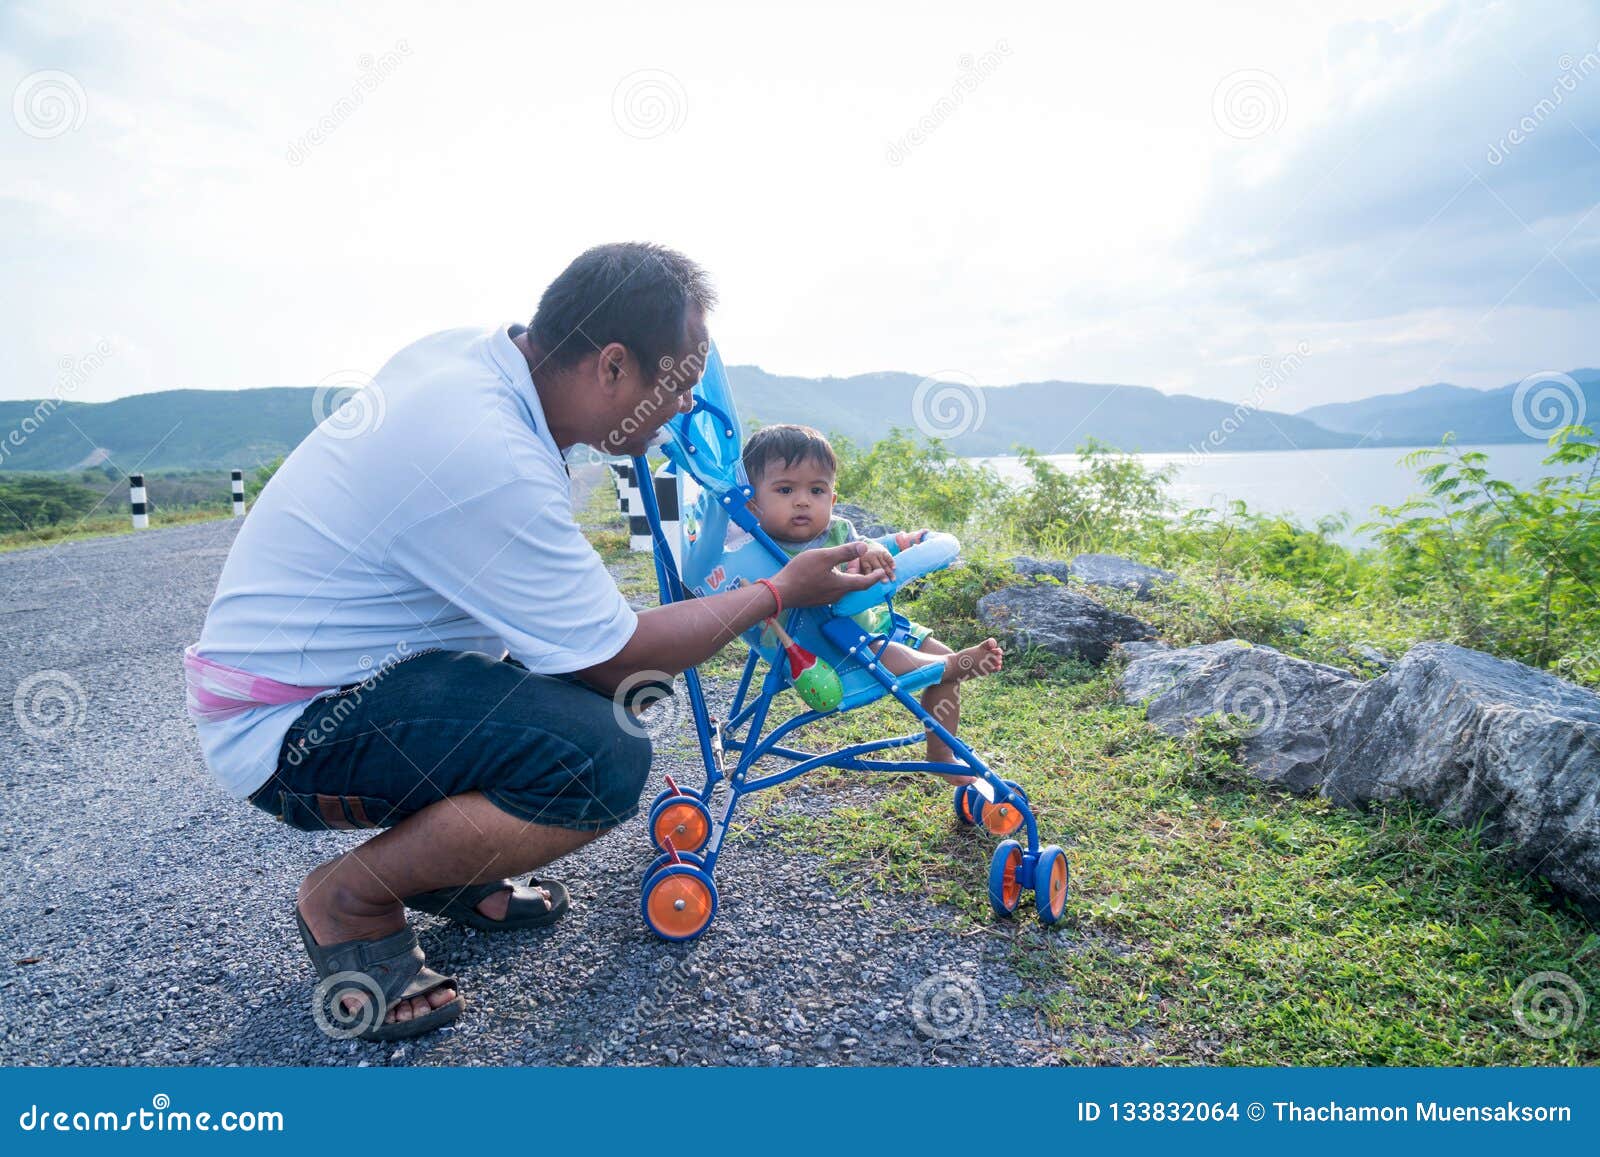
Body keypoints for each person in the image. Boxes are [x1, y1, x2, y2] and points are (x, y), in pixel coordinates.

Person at [183, 244, 884, 1041]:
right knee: (604, 753)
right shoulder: (488, 455)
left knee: (596, 696)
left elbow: (584, 635)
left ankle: (452, 876)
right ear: (613, 367)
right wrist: (781, 591)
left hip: (352, 677)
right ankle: (351, 898)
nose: (686, 410)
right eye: (680, 387)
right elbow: (621, 655)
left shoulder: (472, 358)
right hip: (296, 727)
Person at [740, 423, 1003, 780]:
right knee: (926, 660)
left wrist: (876, 550)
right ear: (753, 502)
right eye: (785, 489)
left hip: (876, 623)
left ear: (832, 500)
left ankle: (942, 755)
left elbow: (866, 545)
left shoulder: (837, 531)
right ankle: (952, 664)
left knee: (939, 661)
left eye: (816, 490)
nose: (802, 500)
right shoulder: (756, 552)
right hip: (829, 650)